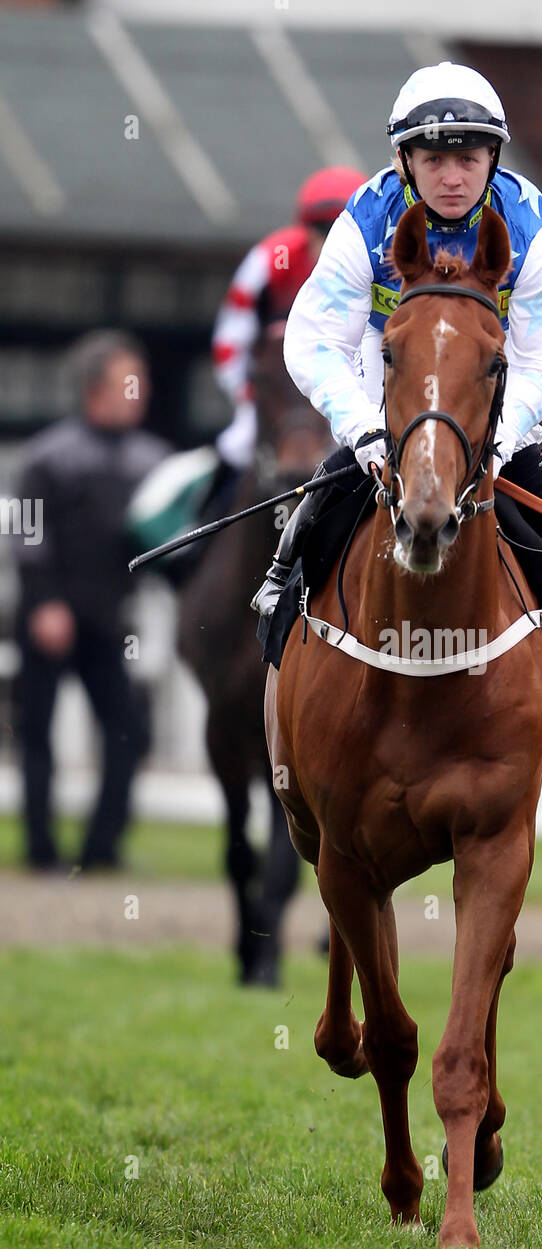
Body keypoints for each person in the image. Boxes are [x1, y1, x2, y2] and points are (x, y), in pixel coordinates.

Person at [252, 62, 542, 722]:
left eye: (468, 158)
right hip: (387, 384)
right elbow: (312, 340)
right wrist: (361, 429)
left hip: (482, 400)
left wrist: (493, 449)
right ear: (403, 159)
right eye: (435, 158)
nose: (452, 177)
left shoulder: (530, 226)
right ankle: (281, 595)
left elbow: (537, 367)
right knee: (323, 495)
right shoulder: (368, 214)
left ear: (492, 157)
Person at [126, 166, 367, 561]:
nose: (327, 244)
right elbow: (229, 340)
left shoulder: (382, 265)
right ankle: (198, 541)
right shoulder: (272, 260)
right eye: (319, 231)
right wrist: (248, 398)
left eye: (339, 230)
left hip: (346, 396)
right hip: (275, 394)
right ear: (302, 228)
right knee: (237, 447)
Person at [13, 330, 169, 870]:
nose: (140, 391)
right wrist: (43, 603)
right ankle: (41, 852)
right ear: (94, 389)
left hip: (110, 619)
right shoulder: (47, 456)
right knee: (37, 735)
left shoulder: (154, 462)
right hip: (49, 615)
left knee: (127, 731)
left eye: (142, 382)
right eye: (130, 382)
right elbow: (26, 532)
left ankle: (101, 850)